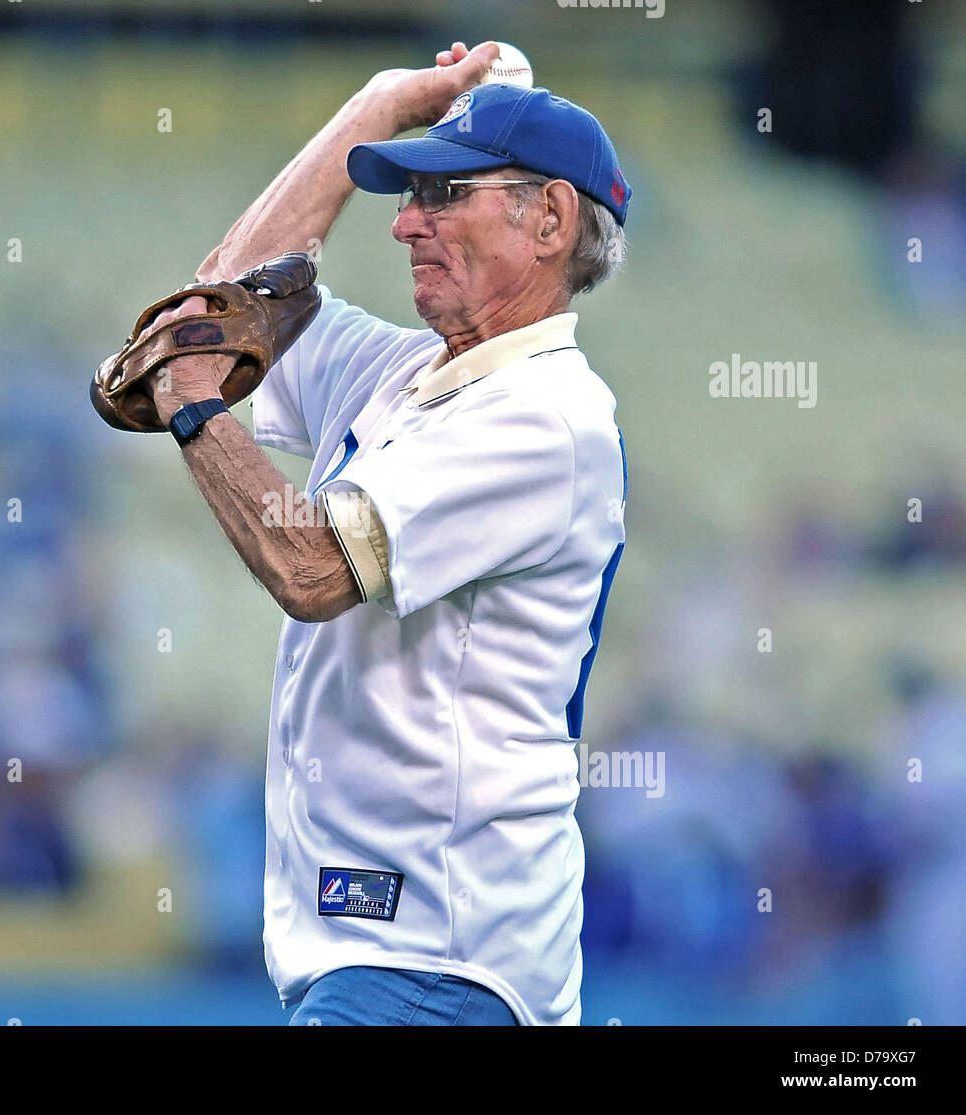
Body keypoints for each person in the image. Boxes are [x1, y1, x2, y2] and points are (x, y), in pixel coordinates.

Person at [140, 41, 631, 1025]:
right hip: (396, 954)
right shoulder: (404, 370)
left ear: (549, 218)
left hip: (436, 957)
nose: (405, 224)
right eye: (409, 195)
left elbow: (314, 566)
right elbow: (223, 306)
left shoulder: (544, 413)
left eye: (446, 195)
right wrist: (379, 106)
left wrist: (197, 404)